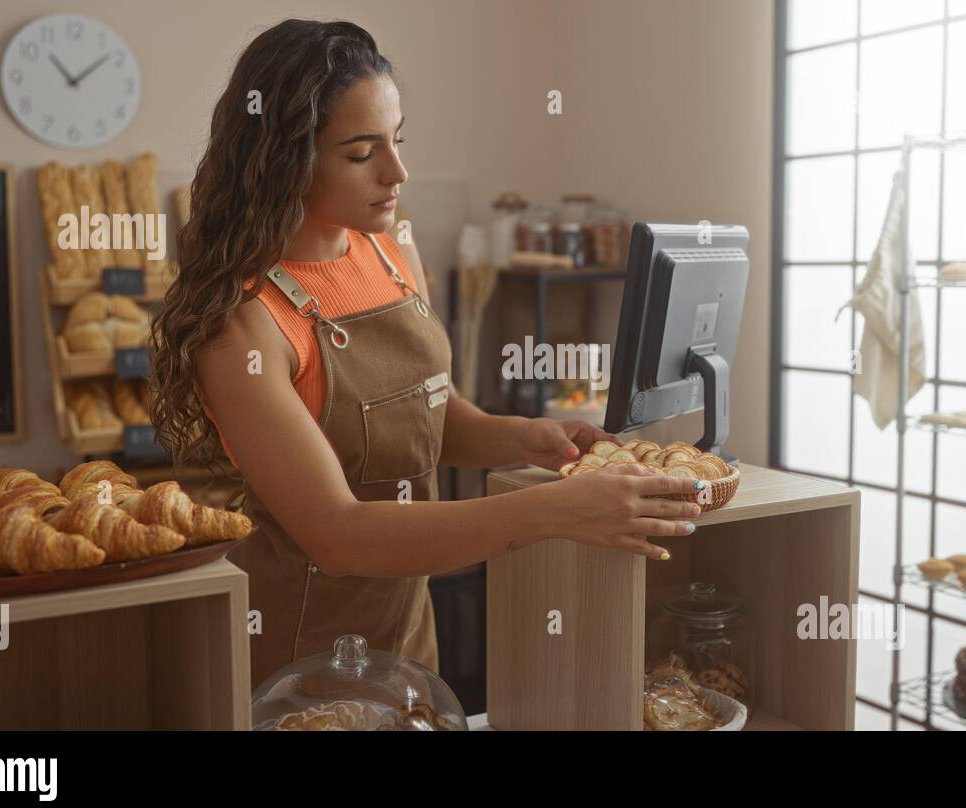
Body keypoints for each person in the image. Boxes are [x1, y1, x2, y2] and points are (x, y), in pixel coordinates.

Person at [149, 19, 701, 688]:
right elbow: (339, 532)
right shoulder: (243, 324)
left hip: (408, 632)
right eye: (361, 153)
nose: (397, 171)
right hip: (300, 655)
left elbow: (428, 416)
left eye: (398, 141)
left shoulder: (390, 247)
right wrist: (554, 512)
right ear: (282, 160)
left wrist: (526, 438)